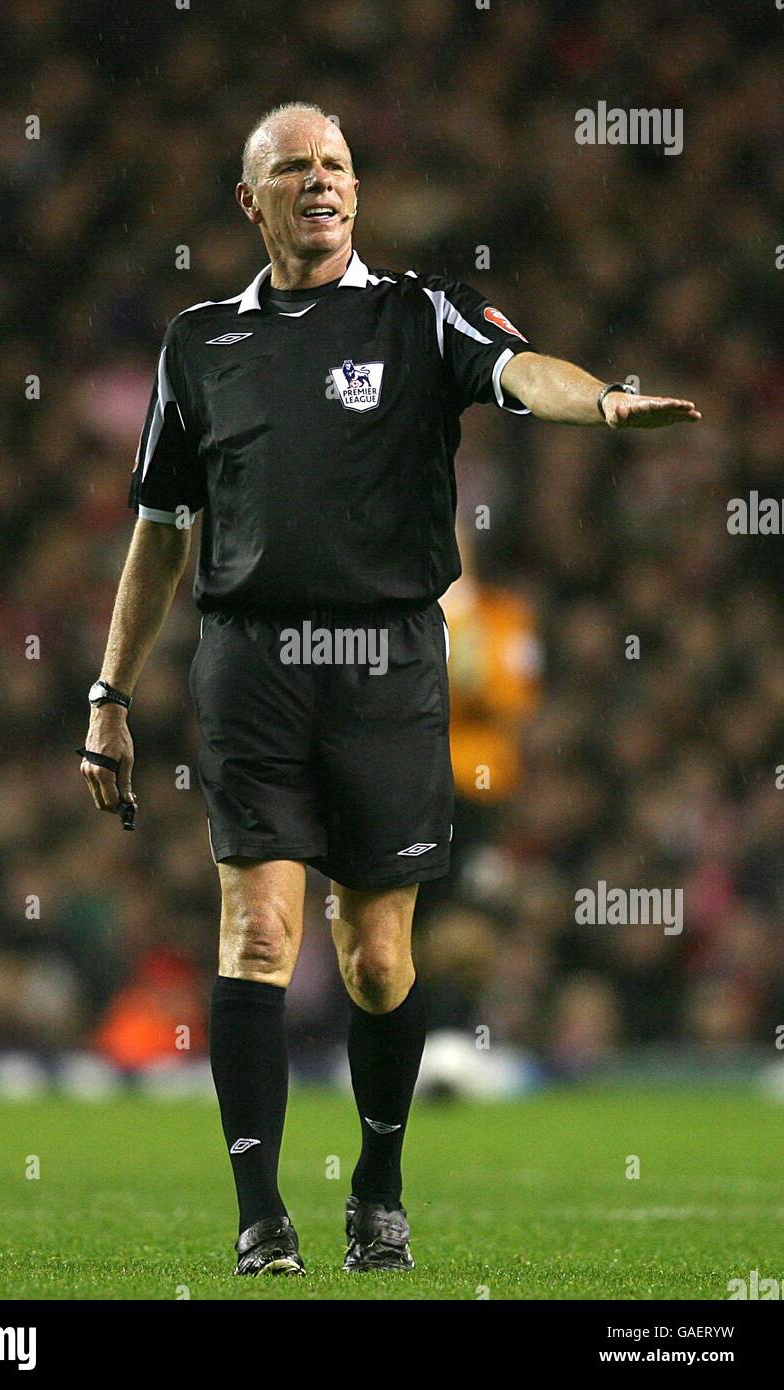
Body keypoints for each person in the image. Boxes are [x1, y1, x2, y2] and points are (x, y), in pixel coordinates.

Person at [79, 102, 700, 1277]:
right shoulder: (198, 342)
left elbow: (524, 371)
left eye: (337, 167)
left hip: (385, 666)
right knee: (255, 932)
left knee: (372, 959)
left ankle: (376, 1183)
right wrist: (110, 689)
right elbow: (160, 532)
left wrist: (603, 401)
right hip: (252, 666)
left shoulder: (419, 311)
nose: (320, 184)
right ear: (248, 202)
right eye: (294, 170)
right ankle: (261, 1215)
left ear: (356, 193)